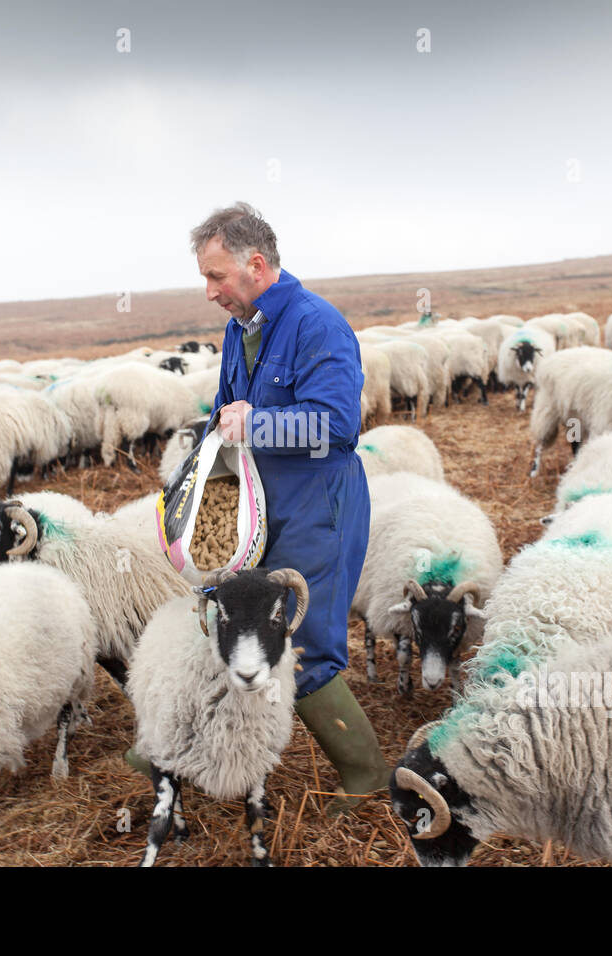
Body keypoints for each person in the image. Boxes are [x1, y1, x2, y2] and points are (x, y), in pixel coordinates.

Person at [188, 201, 390, 813]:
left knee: (306, 639)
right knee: (246, 621)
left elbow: (337, 424)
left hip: (318, 503)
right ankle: (202, 750)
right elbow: (229, 413)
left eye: (216, 276)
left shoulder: (316, 324)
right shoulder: (240, 328)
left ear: (255, 264)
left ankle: (368, 774)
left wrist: (258, 423)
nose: (209, 292)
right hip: (260, 504)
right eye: (205, 278)